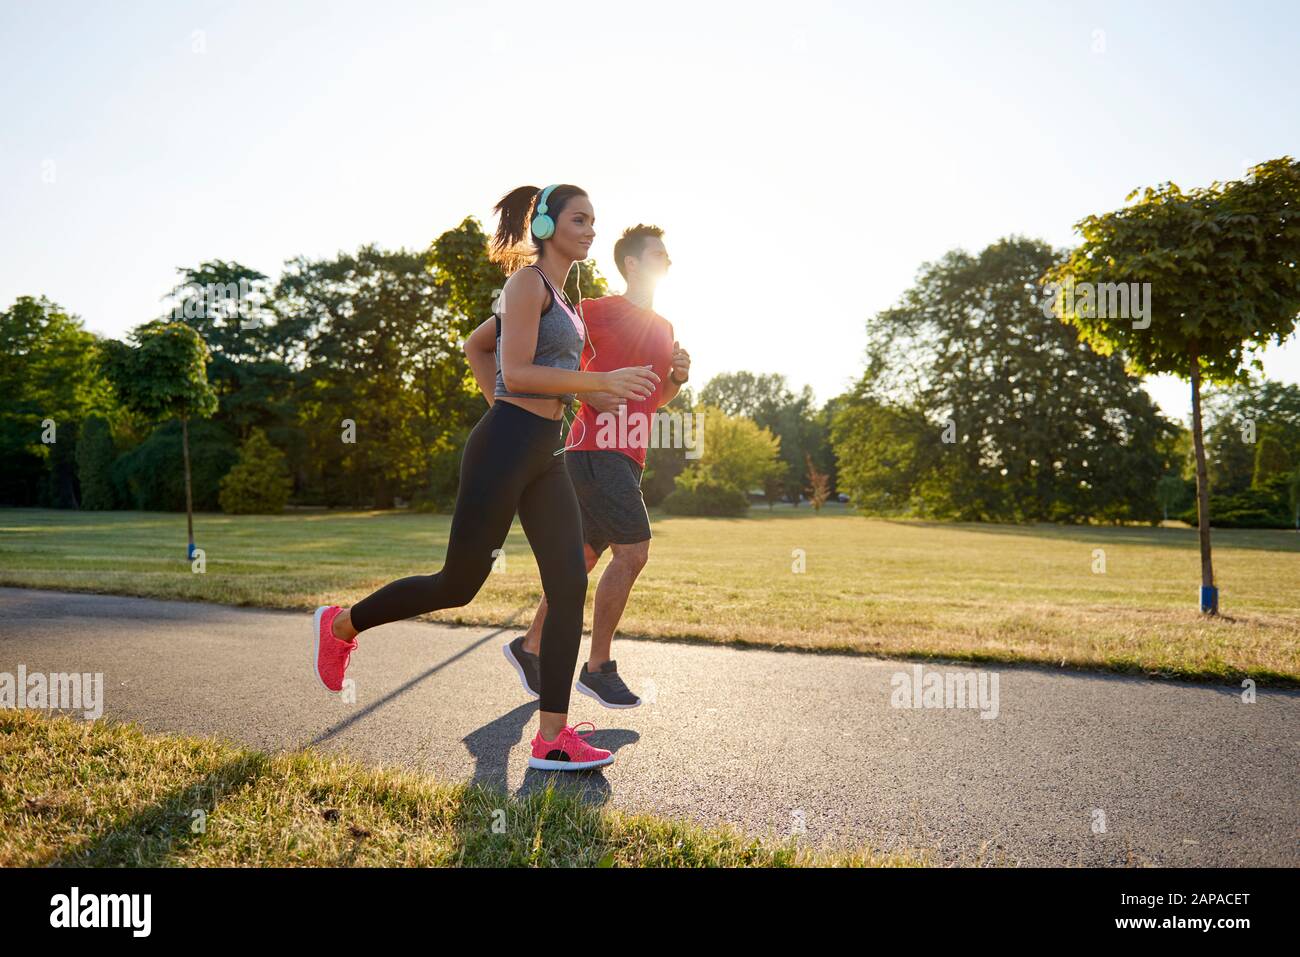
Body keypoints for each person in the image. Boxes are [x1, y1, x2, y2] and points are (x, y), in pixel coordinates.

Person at [310, 184, 659, 771]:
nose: (591, 229)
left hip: (544, 452)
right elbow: (516, 370)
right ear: (546, 225)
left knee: (570, 579)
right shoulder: (526, 284)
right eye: (580, 219)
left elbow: (478, 347)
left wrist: (522, 402)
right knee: (458, 584)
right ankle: (341, 624)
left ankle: (551, 737)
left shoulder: (564, 300)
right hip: (504, 447)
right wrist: (572, 390)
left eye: (594, 220)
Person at [490, 224, 689, 707]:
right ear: (632, 264)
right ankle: (598, 666)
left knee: (580, 559)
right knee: (634, 552)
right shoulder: (593, 312)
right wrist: (592, 392)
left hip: (629, 453)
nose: (669, 262)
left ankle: (529, 645)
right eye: (659, 255)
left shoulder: (664, 327)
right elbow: (554, 362)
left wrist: (678, 380)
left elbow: (651, 400)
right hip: (594, 449)